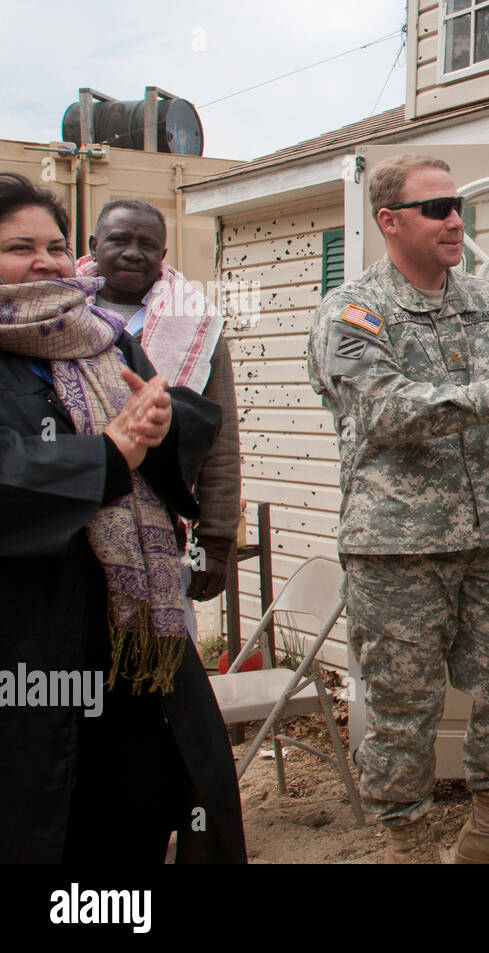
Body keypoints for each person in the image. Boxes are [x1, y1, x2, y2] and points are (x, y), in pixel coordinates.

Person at [307, 154, 489, 864]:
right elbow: (383, 410)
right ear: (390, 220)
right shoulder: (352, 312)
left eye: (458, 205)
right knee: (404, 711)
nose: (455, 219)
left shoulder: (488, 302)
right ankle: (404, 845)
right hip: (395, 549)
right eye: (436, 208)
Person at [0, 172, 246, 863]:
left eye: (52, 244)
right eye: (21, 247)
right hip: (29, 646)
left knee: (132, 804)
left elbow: (189, 435)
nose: (45, 261)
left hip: (130, 642)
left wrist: (161, 425)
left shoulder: (101, 338)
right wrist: (104, 454)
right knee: (42, 815)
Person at [77, 199, 241, 634]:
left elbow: (220, 444)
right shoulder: (55, 315)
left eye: (148, 244)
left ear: (163, 256)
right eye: (119, 240)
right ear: (93, 246)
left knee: (160, 671)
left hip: (161, 529)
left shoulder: (199, 325)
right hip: (69, 523)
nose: (133, 252)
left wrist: (217, 542)